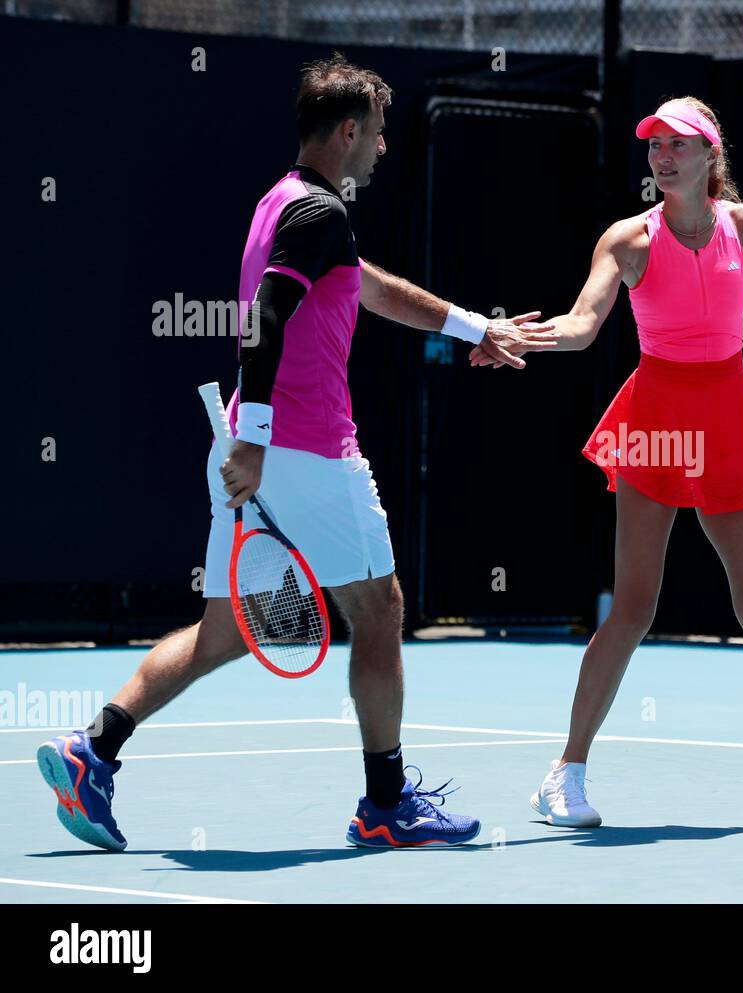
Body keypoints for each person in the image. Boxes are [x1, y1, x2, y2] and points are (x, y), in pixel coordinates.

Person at [35, 52, 558, 851]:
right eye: (377, 134)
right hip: (305, 451)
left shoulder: (287, 206)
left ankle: (92, 750)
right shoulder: (320, 216)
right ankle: (387, 803)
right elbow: (266, 320)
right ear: (347, 131)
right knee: (378, 609)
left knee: (224, 632)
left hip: (258, 449)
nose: (382, 148)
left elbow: (372, 288)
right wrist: (258, 441)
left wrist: (474, 326)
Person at [471, 97, 743, 827]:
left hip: (731, 412)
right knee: (635, 604)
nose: (662, 156)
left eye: (679, 144)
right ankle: (564, 774)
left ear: (712, 155)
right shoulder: (628, 241)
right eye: (654, 144)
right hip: (657, 418)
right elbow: (584, 326)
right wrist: (522, 337)